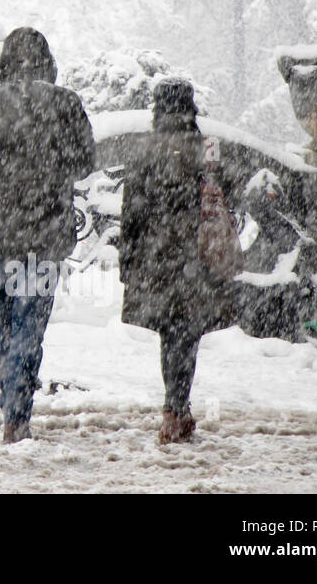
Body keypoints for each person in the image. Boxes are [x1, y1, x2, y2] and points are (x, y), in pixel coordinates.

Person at [0, 27, 96, 443]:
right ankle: (17, 415)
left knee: (5, 328)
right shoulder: (65, 104)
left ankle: (11, 408)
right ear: (47, 62)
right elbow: (85, 161)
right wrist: (48, 167)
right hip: (45, 235)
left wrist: (1, 176)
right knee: (29, 327)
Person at [118, 78, 239, 443]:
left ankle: (174, 409)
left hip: (156, 261)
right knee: (188, 336)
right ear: (190, 107)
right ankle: (178, 406)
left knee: (169, 334)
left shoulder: (144, 149)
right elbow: (224, 195)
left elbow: (131, 212)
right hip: (198, 259)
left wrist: (128, 259)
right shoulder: (209, 148)